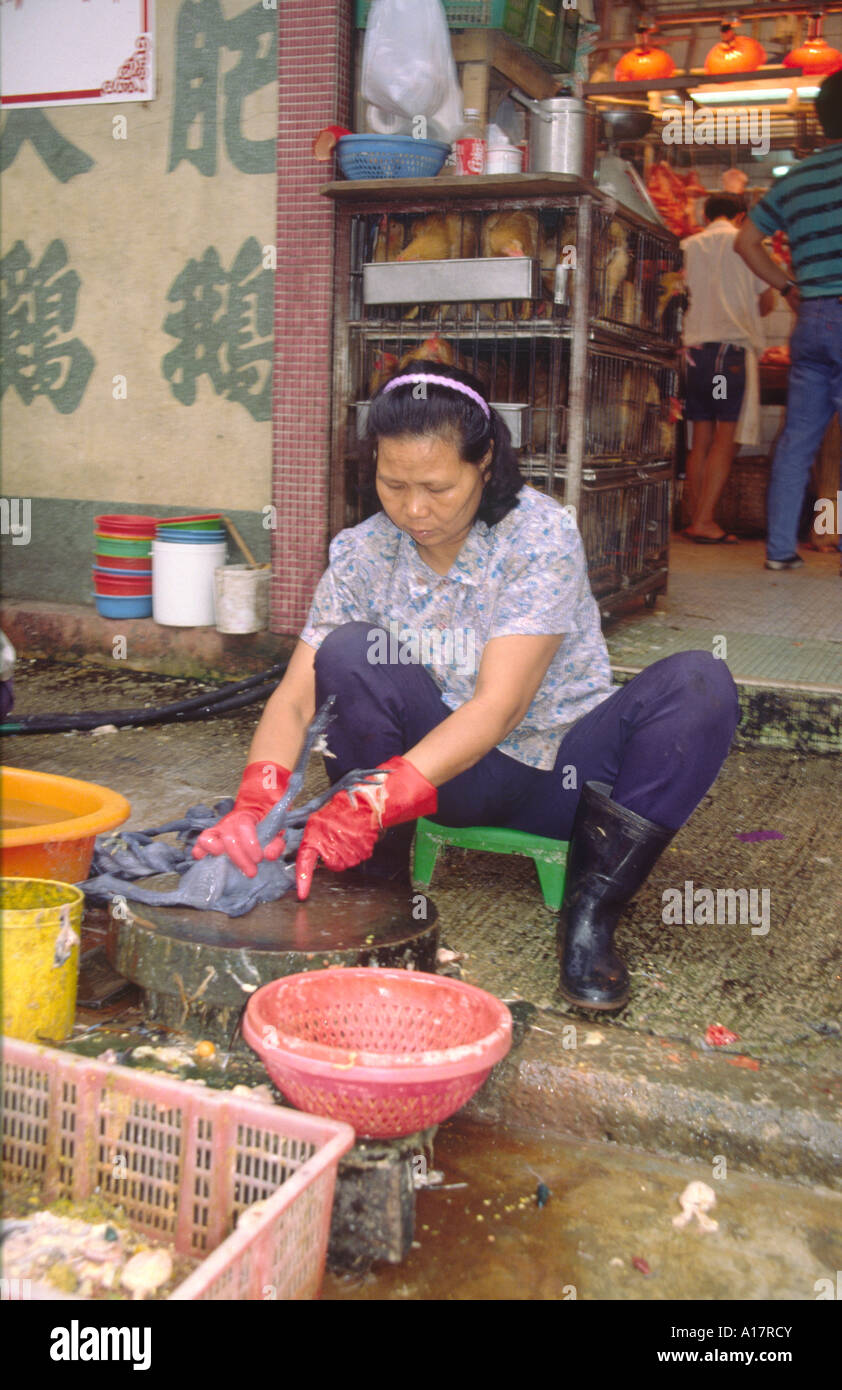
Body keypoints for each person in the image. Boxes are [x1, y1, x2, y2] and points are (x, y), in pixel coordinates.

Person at [194, 362, 740, 1013]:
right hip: (436, 787)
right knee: (347, 652)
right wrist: (257, 800)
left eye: (437, 487)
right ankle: (378, 892)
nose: (414, 509)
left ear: (485, 463)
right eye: (392, 483)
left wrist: (370, 799)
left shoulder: (538, 536)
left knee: (700, 683)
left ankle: (591, 915)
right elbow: (293, 698)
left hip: (563, 781)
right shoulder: (363, 552)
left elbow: (500, 706)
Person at [735, 69, 842, 570]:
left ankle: (780, 551)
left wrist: (789, 289)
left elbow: (746, 242)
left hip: (812, 318)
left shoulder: (797, 178)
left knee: (798, 441)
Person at [681, 194, 775, 544]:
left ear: (705, 216)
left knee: (700, 438)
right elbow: (766, 304)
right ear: (740, 216)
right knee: (724, 437)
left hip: (694, 356)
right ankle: (704, 520)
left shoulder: (687, 245)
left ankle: (695, 516)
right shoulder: (746, 244)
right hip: (726, 360)